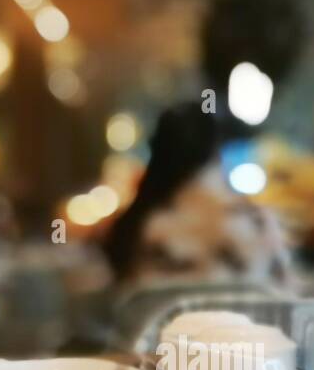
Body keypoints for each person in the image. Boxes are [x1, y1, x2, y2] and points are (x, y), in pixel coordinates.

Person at [103, 103, 292, 287]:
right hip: (246, 317)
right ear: (218, 153)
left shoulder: (139, 224)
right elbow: (285, 289)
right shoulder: (253, 221)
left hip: (160, 318)